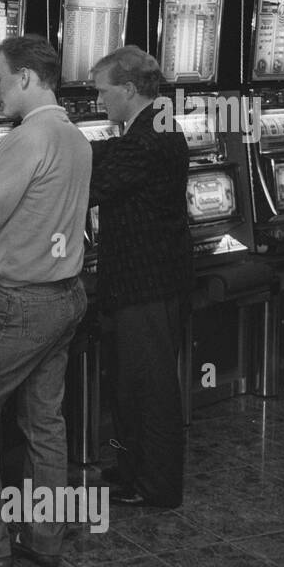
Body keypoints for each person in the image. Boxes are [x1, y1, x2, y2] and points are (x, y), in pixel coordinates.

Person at [0, 36, 91, 567]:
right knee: (45, 422)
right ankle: (46, 537)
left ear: (26, 79)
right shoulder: (76, 136)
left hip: (22, 302)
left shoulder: (28, 138)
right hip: (67, 295)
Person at [88, 45, 193, 508]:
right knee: (134, 382)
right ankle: (133, 472)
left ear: (128, 89)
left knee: (152, 387)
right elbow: (111, 150)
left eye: (103, 92)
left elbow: (97, 186)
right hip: (151, 278)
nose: (99, 102)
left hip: (146, 282)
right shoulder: (154, 124)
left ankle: (158, 486)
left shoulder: (148, 137)